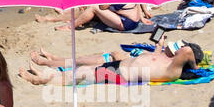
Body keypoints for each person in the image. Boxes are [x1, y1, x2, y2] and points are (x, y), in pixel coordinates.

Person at [22, 34, 203, 85]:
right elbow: (160, 54)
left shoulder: (174, 70)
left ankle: (38, 79)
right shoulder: (166, 58)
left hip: (120, 74)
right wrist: (160, 44)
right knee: (79, 72)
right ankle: (45, 72)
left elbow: (187, 50)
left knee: (78, 75)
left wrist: (194, 65)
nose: (178, 49)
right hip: (118, 67)